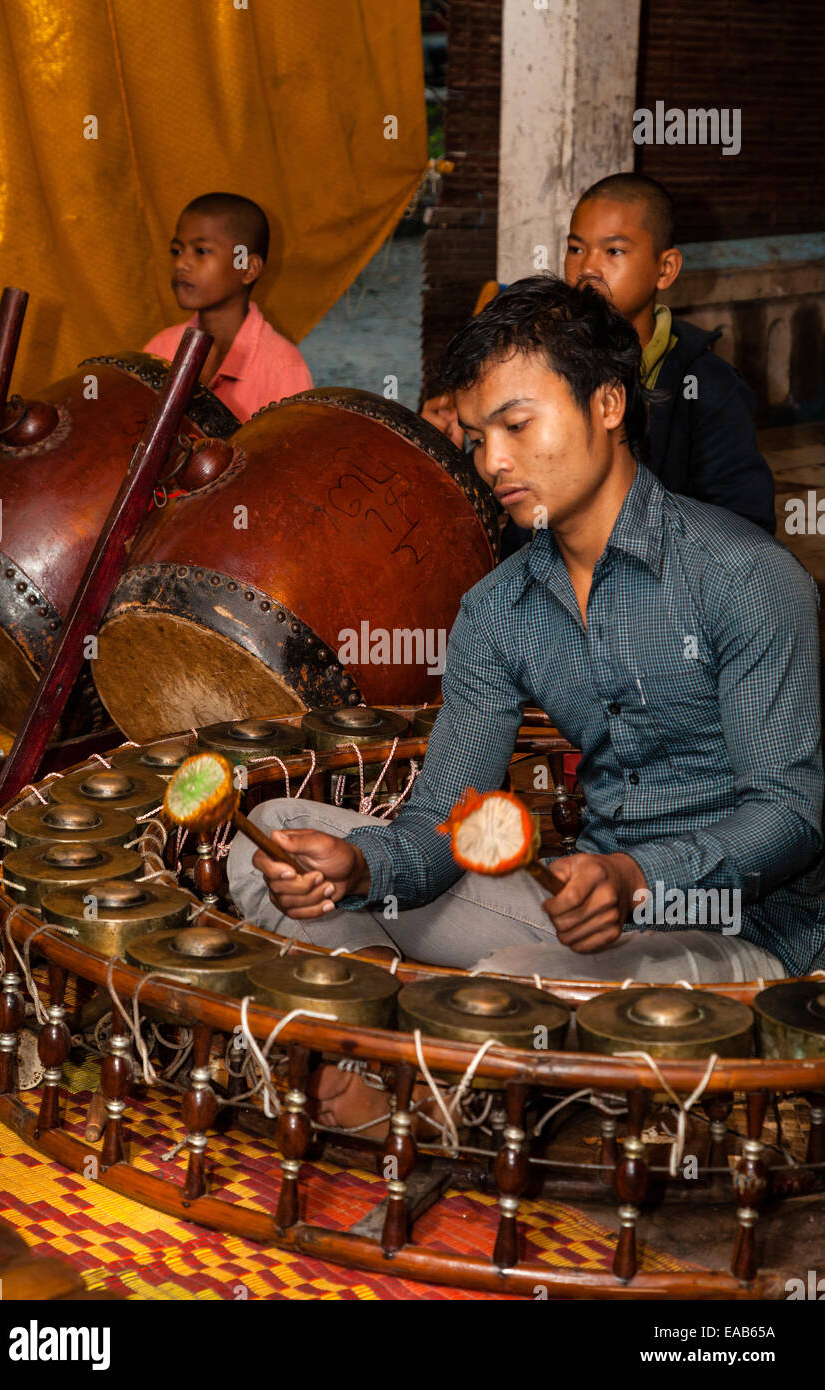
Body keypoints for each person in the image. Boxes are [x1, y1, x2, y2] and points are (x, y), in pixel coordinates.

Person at [228, 275, 825, 989]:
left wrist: (634, 878)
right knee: (274, 842)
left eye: (517, 426)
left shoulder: (745, 576)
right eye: (479, 438)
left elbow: (789, 816)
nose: (492, 462)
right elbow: (440, 829)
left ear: (608, 402)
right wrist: (359, 869)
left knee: (509, 981)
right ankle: (371, 1045)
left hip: (741, 931)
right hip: (577, 920)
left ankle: (423, 1055)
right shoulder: (498, 609)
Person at [422, 173, 776, 551]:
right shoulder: (543, 364)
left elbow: (744, 530)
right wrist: (445, 454)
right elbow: (500, 493)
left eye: (614, 251)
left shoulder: (707, 387)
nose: (588, 268)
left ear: (666, 268)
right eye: (576, 249)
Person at [144, 192, 312, 422]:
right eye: (176, 250)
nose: (181, 263)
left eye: (201, 251)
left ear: (247, 268)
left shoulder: (282, 368)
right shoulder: (160, 350)